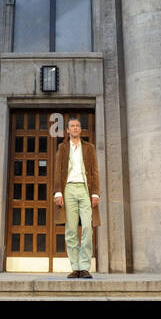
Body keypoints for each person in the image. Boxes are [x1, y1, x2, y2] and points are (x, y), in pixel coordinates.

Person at [53, 117, 100, 279]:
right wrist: (58, 192)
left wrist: (95, 193)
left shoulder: (89, 148)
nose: (75, 128)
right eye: (72, 126)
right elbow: (58, 171)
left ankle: (85, 267)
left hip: (85, 189)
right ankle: (75, 267)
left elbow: (94, 171)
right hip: (69, 189)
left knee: (87, 227)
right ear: (67, 130)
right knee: (71, 230)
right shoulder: (62, 147)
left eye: (77, 126)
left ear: (80, 130)